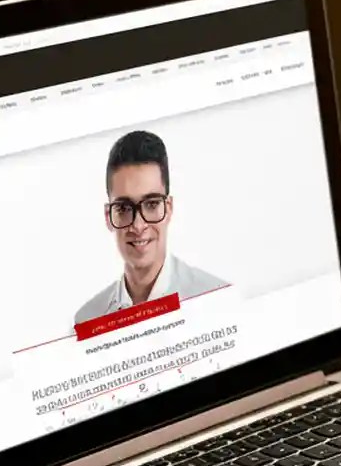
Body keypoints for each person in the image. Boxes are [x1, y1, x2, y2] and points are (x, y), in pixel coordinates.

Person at [74, 130, 227, 325]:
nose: (138, 225)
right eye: (123, 208)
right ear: (108, 216)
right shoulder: (87, 322)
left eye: (152, 204)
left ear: (169, 209)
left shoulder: (215, 301)